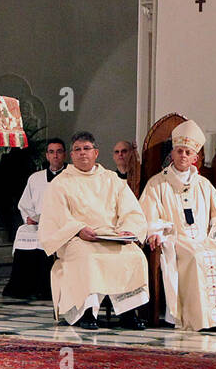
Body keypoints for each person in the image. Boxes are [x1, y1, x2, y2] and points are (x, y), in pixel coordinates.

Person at [141, 120, 216, 332]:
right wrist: (154, 233)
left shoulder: (203, 185)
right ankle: (201, 320)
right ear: (172, 154)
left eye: (188, 152)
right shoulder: (157, 184)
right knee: (197, 257)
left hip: (204, 240)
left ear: (195, 158)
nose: (183, 155)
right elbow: (147, 215)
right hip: (176, 241)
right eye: (179, 151)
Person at [38, 131, 150, 330]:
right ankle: (87, 312)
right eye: (77, 150)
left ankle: (127, 313)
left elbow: (131, 211)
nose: (82, 153)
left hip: (111, 236)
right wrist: (78, 229)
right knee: (88, 258)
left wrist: (127, 230)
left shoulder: (112, 179)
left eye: (87, 149)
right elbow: (57, 217)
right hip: (77, 238)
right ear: (71, 156)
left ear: (96, 153)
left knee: (134, 255)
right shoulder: (61, 183)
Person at [2, 138, 67, 300]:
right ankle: (22, 287)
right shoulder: (35, 178)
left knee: (48, 239)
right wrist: (29, 218)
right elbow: (24, 204)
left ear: (65, 155)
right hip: (39, 223)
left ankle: (45, 288)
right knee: (24, 232)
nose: (55, 156)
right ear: (47, 155)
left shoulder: (72, 176)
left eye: (59, 152)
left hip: (62, 225)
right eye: (51, 152)